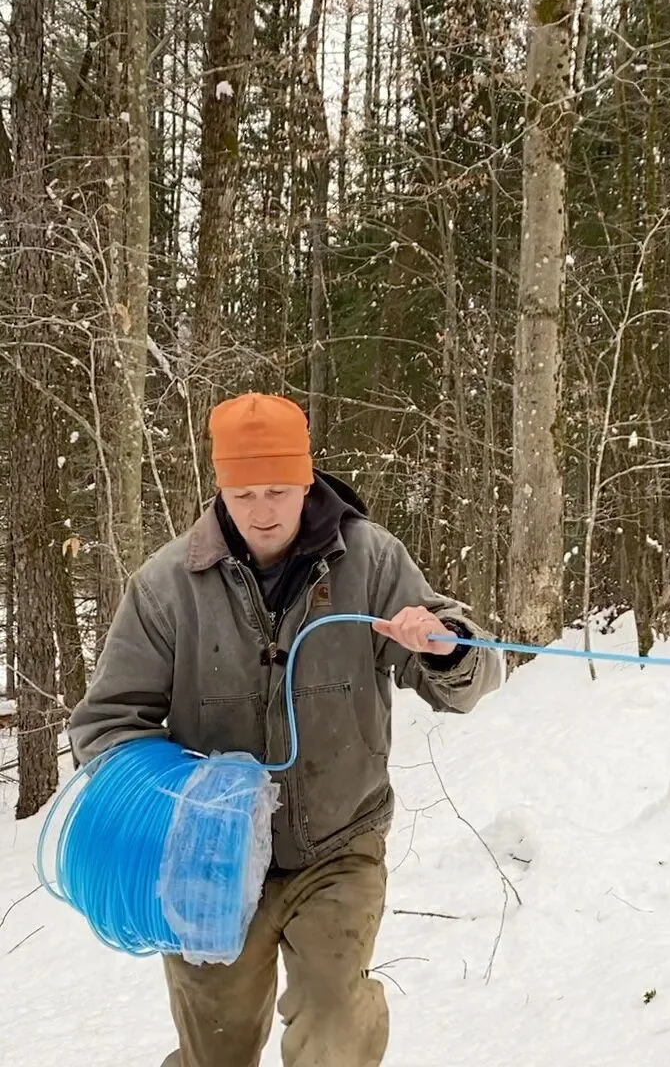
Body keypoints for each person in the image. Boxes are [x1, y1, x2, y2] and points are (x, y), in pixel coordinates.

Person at [67, 392, 502, 1067]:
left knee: (332, 1022)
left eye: (278, 489)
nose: (263, 511)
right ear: (220, 487)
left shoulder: (370, 561)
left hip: (336, 845)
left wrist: (447, 647)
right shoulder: (166, 585)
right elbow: (104, 726)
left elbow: (470, 678)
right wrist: (187, 802)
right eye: (244, 493)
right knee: (217, 1050)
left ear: (306, 479)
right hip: (204, 862)